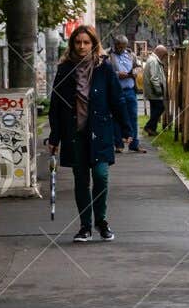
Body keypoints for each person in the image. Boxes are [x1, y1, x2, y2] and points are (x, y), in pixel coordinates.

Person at [47, 25, 133, 243]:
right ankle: (85, 226)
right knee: (81, 180)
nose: (82, 46)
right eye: (78, 42)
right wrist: (54, 137)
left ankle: (101, 221)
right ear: (72, 45)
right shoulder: (65, 69)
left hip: (100, 132)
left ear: (93, 44)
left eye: (86, 42)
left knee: (101, 176)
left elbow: (117, 99)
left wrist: (125, 128)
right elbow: (56, 105)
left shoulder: (104, 68)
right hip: (74, 133)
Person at [109, 35, 143, 153]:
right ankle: (119, 144)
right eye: (119, 46)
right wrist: (118, 74)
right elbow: (107, 72)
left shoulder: (130, 55)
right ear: (115, 45)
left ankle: (134, 144)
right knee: (117, 118)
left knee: (132, 117)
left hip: (129, 90)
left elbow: (137, 67)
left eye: (124, 46)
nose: (122, 48)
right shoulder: (109, 56)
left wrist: (135, 71)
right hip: (116, 91)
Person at [143, 45, 168, 137]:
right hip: (154, 91)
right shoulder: (154, 61)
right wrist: (159, 90)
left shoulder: (153, 59)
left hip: (151, 90)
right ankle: (148, 126)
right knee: (160, 108)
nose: (164, 56)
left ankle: (152, 129)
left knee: (154, 110)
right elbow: (154, 78)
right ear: (160, 52)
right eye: (164, 54)